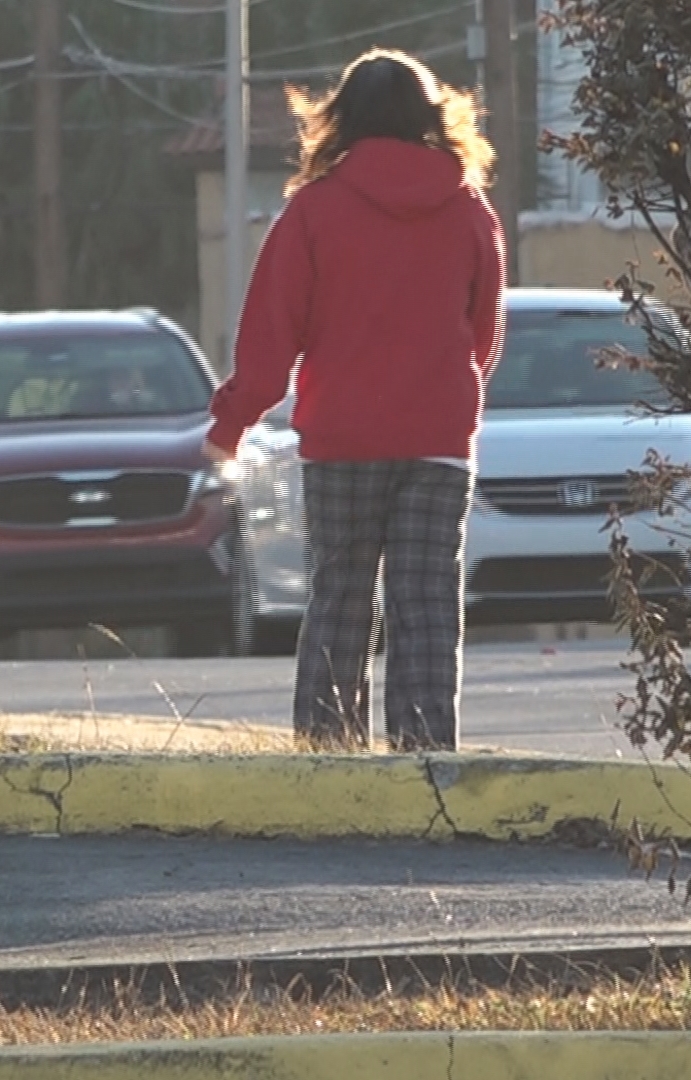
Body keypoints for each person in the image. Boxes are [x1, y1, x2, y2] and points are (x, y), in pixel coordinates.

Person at [205, 49, 506, 752]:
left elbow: (271, 331)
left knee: (339, 598)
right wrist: (452, 390)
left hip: (341, 439)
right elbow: (484, 329)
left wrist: (232, 422)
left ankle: (328, 755)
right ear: (430, 115)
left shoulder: (314, 211)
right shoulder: (468, 207)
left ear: (340, 118)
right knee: (426, 606)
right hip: (437, 441)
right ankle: (427, 761)